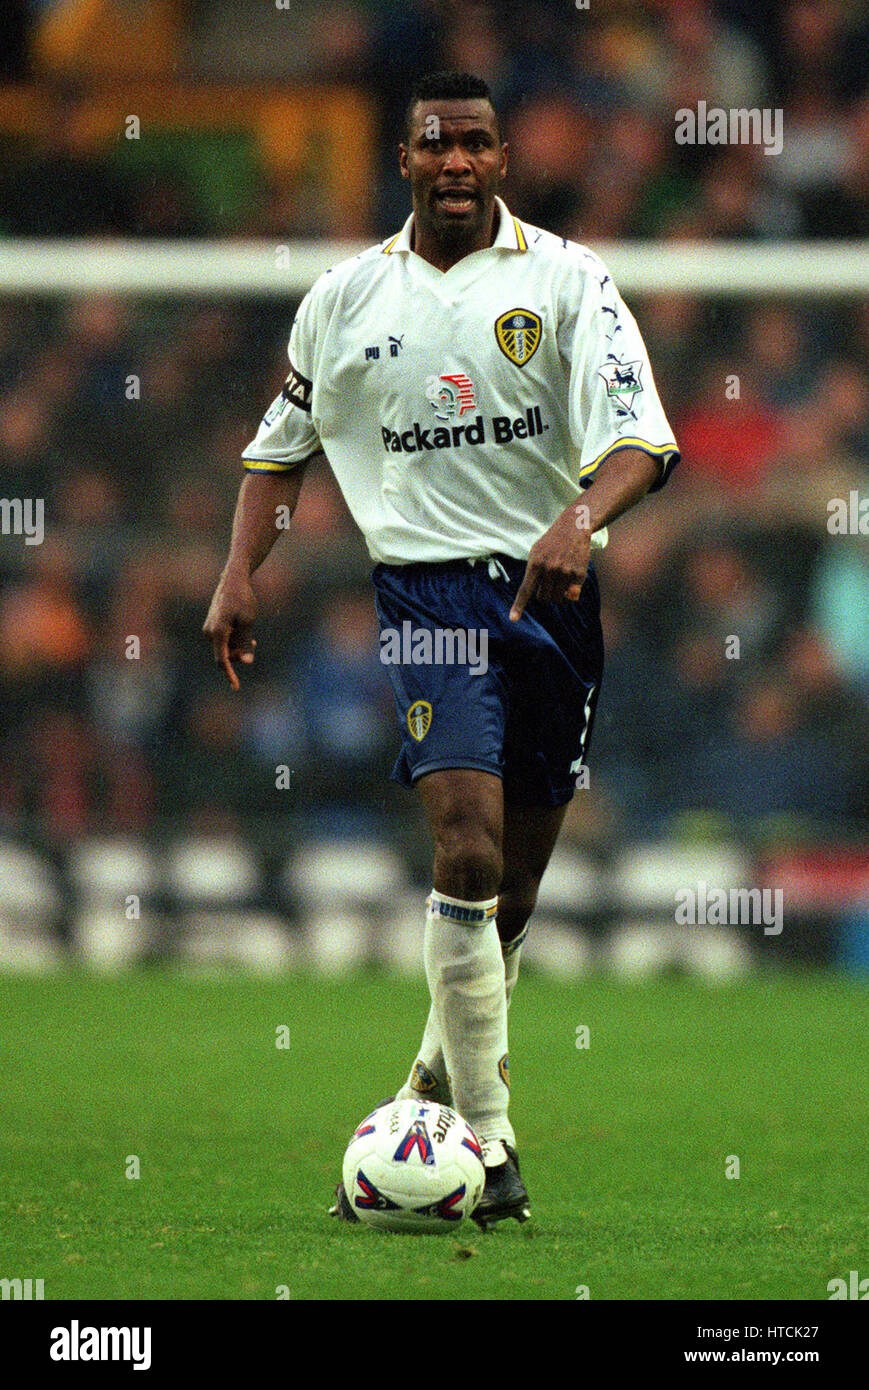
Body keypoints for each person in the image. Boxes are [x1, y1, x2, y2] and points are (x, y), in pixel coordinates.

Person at [203, 71, 679, 1229]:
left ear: (502, 157)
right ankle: (497, 1149)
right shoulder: (344, 297)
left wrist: (581, 516)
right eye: (434, 145)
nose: (455, 161)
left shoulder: (565, 280)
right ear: (403, 160)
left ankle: (428, 1090)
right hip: (426, 600)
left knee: (508, 893)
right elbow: (280, 452)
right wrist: (236, 571)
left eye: (474, 143)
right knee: (461, 854)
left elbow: (642, 439)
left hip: (551, 598)